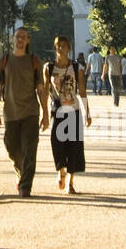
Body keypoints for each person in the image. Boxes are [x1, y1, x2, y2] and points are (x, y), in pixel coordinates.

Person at [0, 27, 48, 197]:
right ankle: (21, 173)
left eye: (23, 37)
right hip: (10, 112)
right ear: (13, 39)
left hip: (31, 112)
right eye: (17, 37)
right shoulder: (4, 60)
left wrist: (45, 113)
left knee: (29, 150)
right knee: (11, 147)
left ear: (28, 40)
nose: (20, 40)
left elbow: (40, 89)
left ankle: (25, 187)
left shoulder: (34, 61)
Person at [44, 35, 89, 194]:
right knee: (57, 143)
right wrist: (43, 113)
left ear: (69, 48)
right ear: (55, 48)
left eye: (63, 45)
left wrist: (87, 113)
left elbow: (82, 92)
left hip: (74, 111)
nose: (61, 48)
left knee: (74, 147)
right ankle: (61, 170)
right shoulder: (48, 68)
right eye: (58, 46)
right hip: (57, 112)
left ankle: (70, 183)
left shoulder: (77, 68)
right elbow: (44, 92)